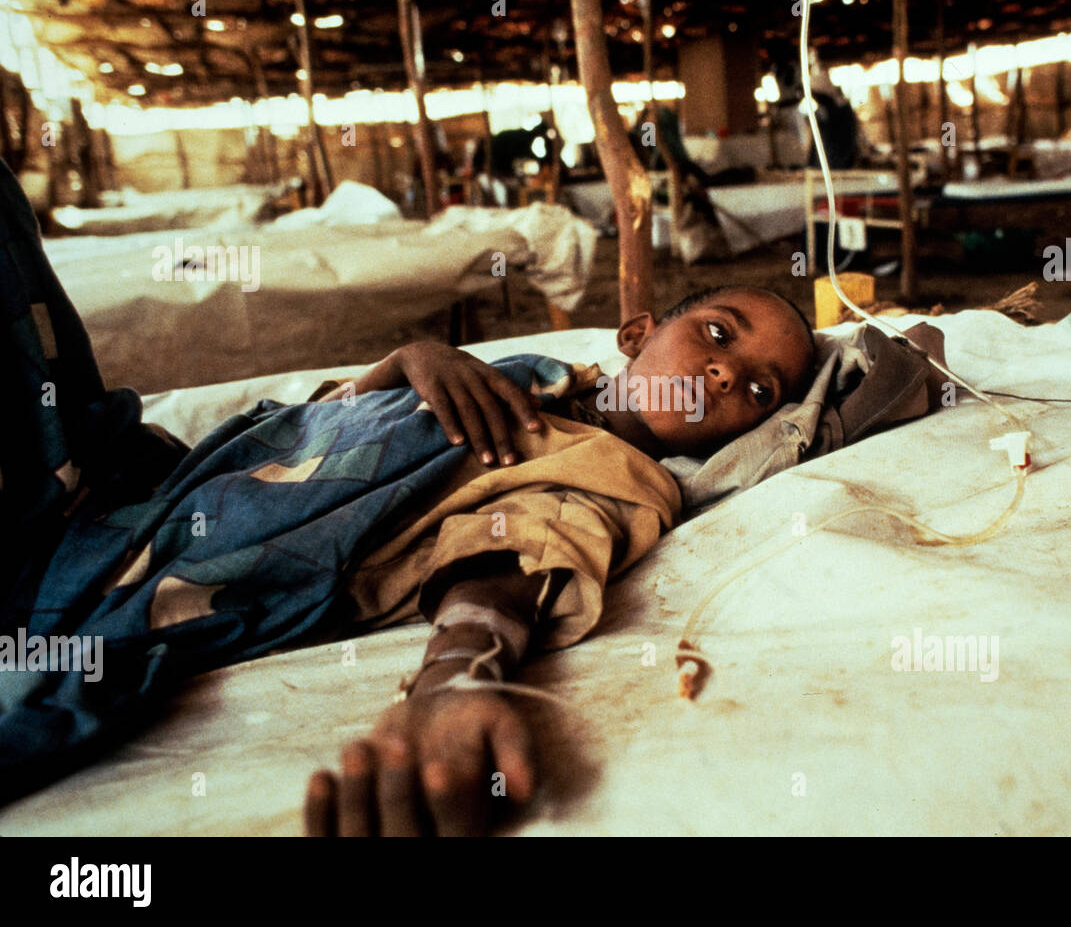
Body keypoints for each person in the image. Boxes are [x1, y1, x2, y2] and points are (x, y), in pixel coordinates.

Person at [0, 156, 820, 831]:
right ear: (636, 333)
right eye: (716, 335)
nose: (724, 371)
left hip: (102, 547)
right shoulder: (537, 377)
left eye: (757, 390)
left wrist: (456, 685)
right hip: (136, 471)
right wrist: (409, 361)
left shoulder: (613, 475)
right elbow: (316, 434)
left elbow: (510, 562)